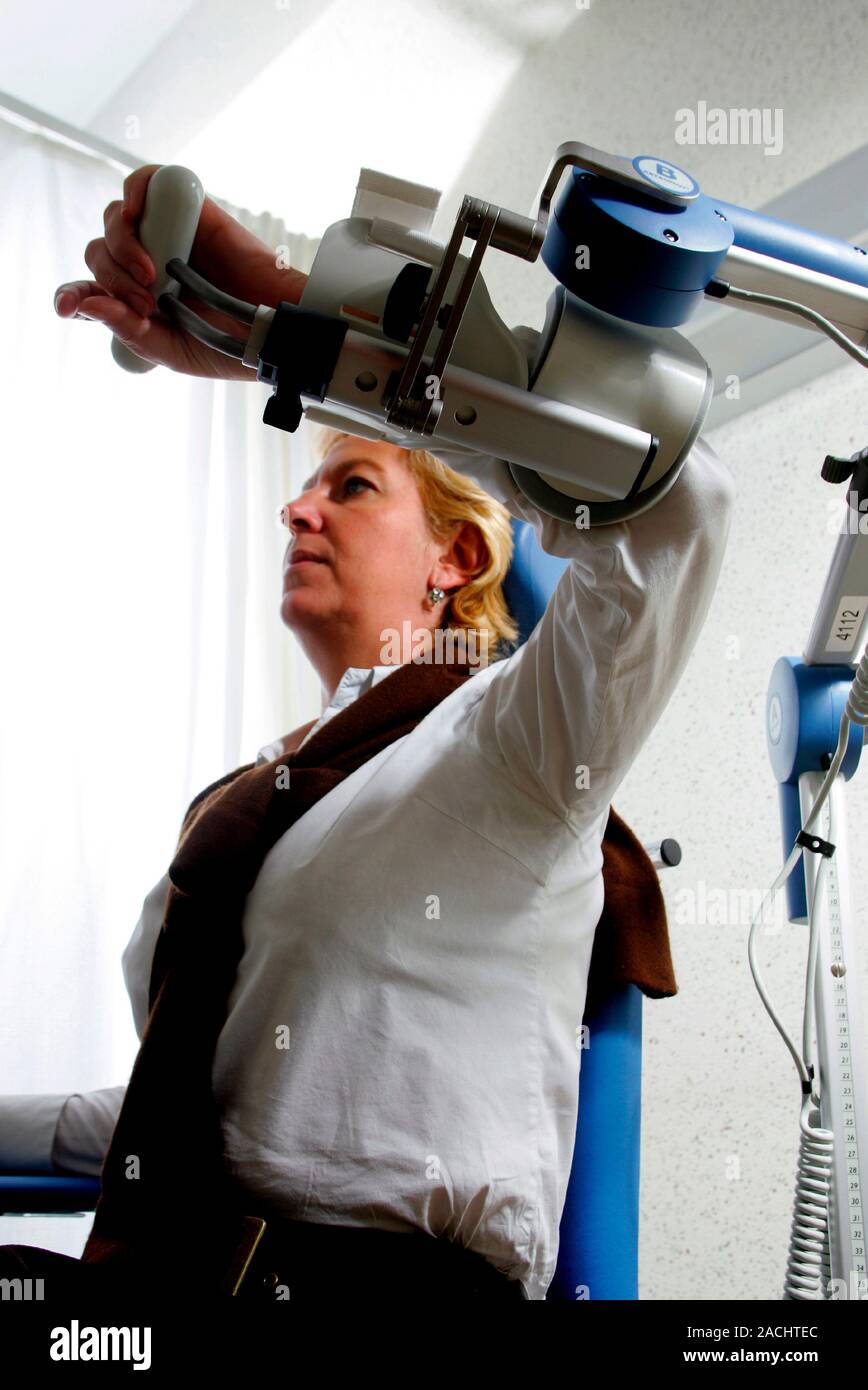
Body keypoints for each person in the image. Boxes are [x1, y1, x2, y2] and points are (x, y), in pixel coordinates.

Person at [0, 165, 736, 1302]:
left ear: (459, 559)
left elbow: (672, 514)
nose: (299, 507)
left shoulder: (519, 741)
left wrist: (286, 325)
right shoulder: (255, 806)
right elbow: (189, 1126)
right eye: (308, 488)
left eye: (351, 486)